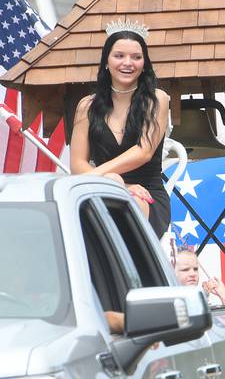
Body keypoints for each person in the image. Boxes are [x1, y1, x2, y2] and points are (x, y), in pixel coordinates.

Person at [69, 22, 172, 237]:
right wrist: (112, 182)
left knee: (127, 206)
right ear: (106, 61)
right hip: (101, 188)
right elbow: (77, 164)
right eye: (119, 56)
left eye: (136, 57)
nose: (128, 63)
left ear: (144, 64)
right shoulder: (87, 106)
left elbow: (143, 152)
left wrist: (107, 177)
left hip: (145, 194)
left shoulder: (157, 99)